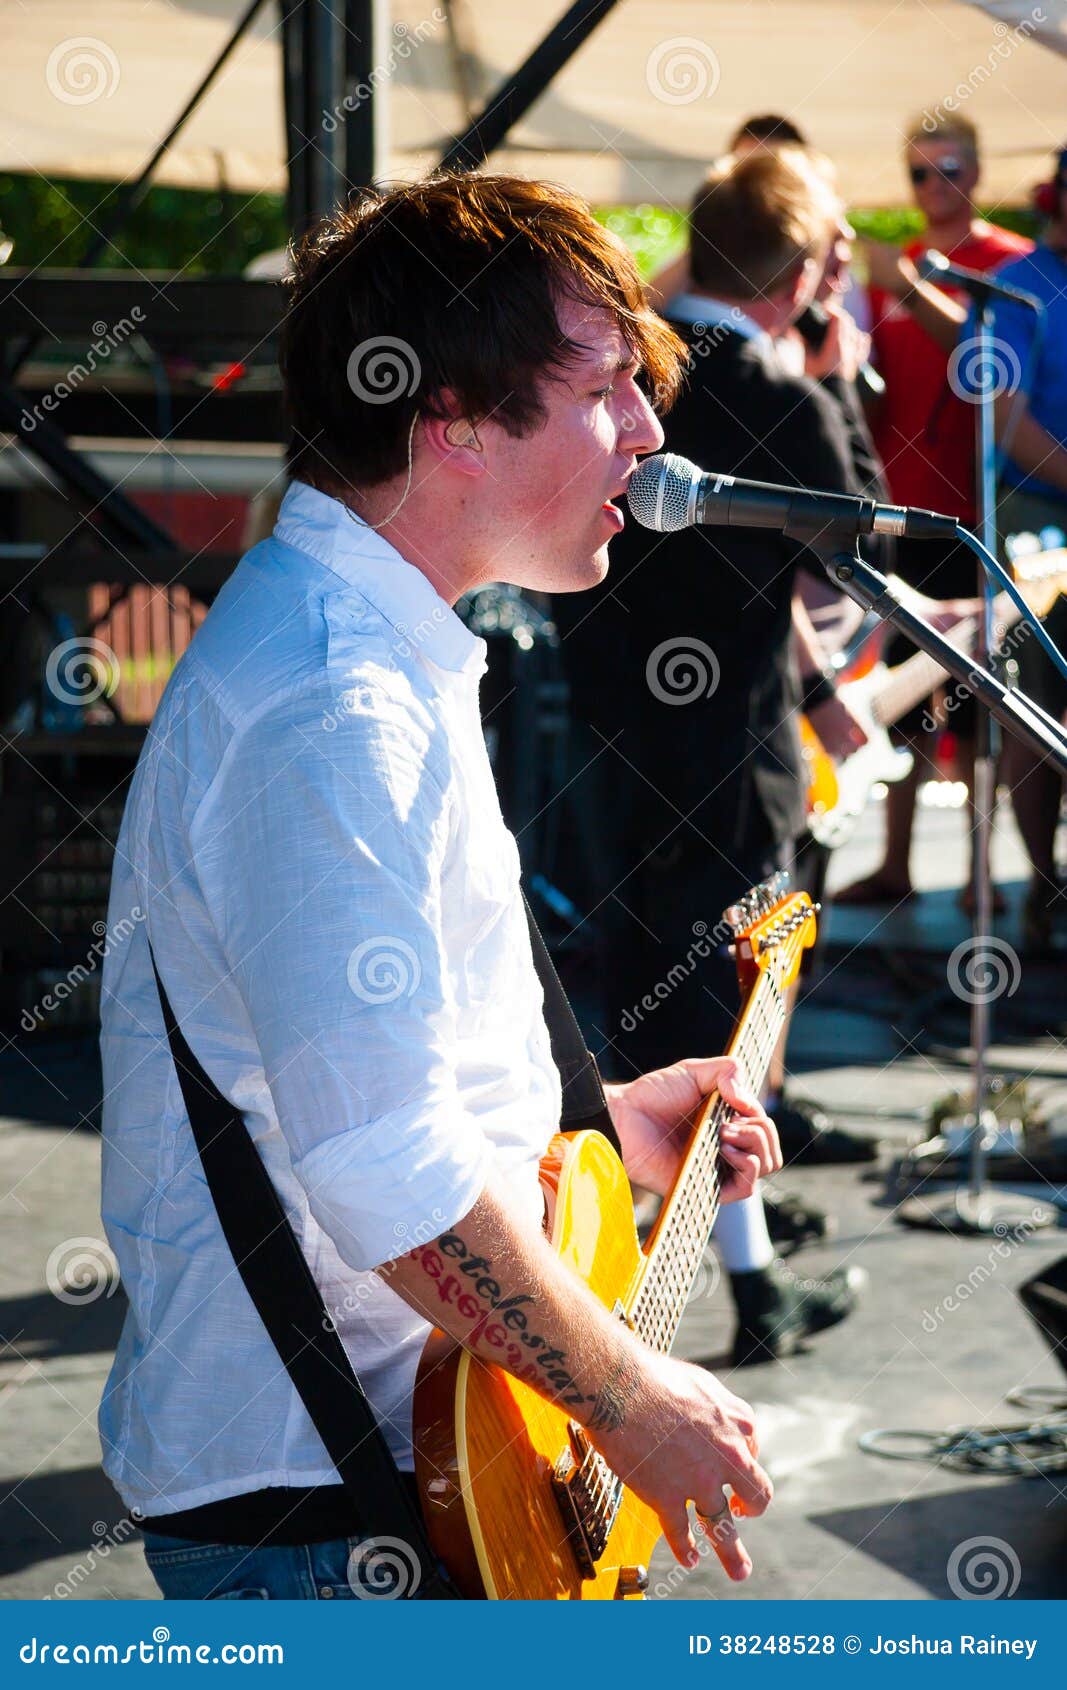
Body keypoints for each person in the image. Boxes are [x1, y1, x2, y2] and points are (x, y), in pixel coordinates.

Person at [97, 173, 783, 1601]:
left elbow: (379, 1093)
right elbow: (383, 1170)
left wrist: (590, 1126)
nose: (650, 433)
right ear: (453, 414)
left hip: (388, 1478)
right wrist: (630, 1399)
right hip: (332, 1508)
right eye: (607, 388)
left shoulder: (380, 658)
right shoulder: (333, 705)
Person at [554, 147, 886, 1366]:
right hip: (730, 758)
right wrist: (833, 376)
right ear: (800, 276)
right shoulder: (781, 395)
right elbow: (855, 552)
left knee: (634, 990)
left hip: (604, 740)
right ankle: (737, 1295)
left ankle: (634, 1265)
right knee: (732, 1018)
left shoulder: (618, 373)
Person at [838, 115, 1032, 908]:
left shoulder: (1010, 267)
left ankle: (983, 875)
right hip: (899, 509)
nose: (932, 187)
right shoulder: (896, 272)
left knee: (987, 699)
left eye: (946, 169)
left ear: (977, 172)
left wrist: (911, 289)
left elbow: (993, 368)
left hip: (979, 514)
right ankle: (894, 865)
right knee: (903, 692)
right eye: (917, 173)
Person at [979, 145, 1067, 948]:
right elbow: (1001, 409)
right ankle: (1041, 888)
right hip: (1036, 516)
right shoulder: (1021, 284)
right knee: (1034, 707)